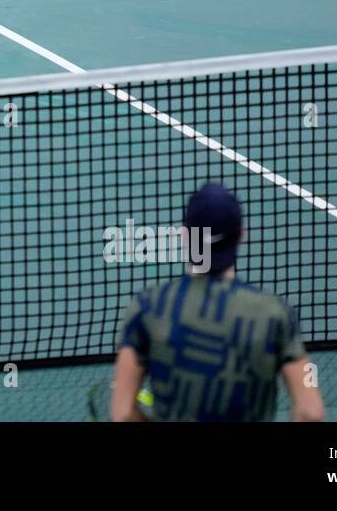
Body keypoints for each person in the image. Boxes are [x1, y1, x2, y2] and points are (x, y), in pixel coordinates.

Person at [111, 181, 325, 422]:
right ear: (241, 235)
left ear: (184, 235)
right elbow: (310, 412)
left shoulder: (147, 309)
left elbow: (123, 413)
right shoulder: (276, 314)